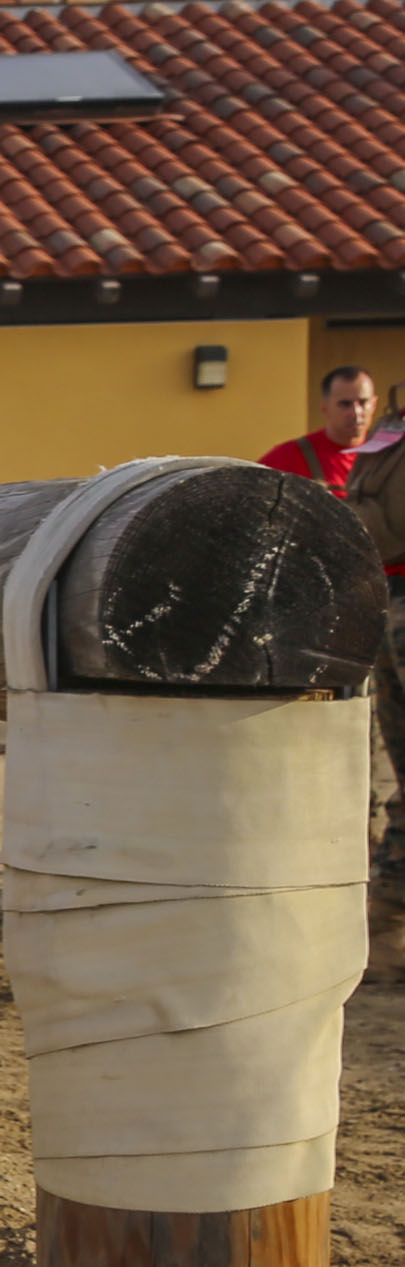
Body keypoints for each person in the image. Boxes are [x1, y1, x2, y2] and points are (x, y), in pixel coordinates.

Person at [265, 366, 405, 898]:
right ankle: (350, 859)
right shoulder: (288, 461)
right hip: (326, 626)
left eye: (364, 403)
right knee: (345, 751)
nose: (357, 414)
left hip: (378, 610)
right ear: (325, 408)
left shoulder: (383, 460)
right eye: (345, 404)